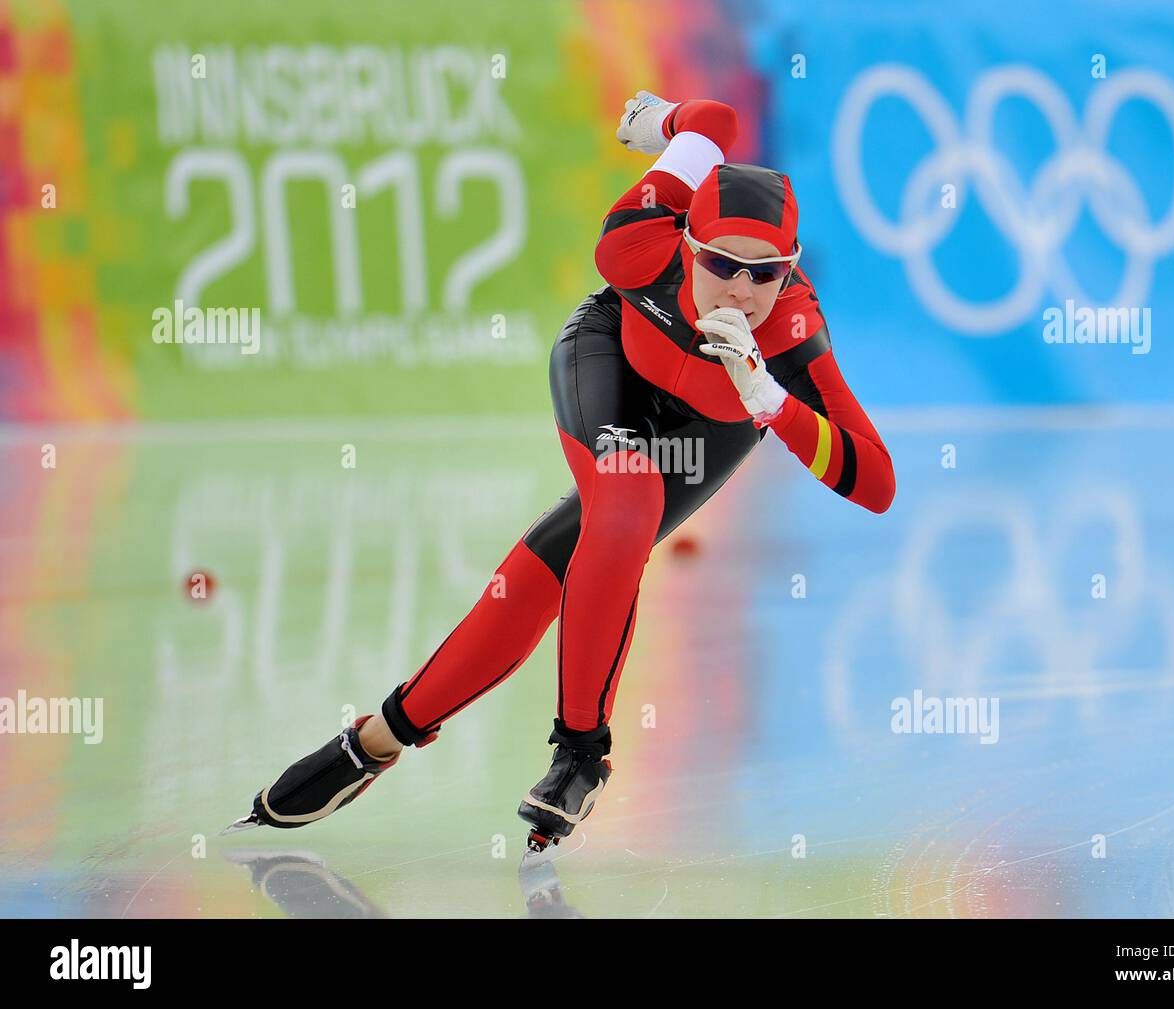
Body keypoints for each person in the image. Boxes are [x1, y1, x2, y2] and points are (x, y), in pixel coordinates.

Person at [223, 91, 895, 855]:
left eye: (766, 273)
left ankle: (376, 739)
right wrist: (666, 123)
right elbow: (715, 119)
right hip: (610, 357)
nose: (741, 290)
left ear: (793, 269)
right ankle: (580, 753)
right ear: (687, 243)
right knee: (626, 501)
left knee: (561, 562)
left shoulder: (793, 334)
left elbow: (876, 484)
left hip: (716, 424)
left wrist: (768, 397)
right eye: (720, 263)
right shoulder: (637, 243)